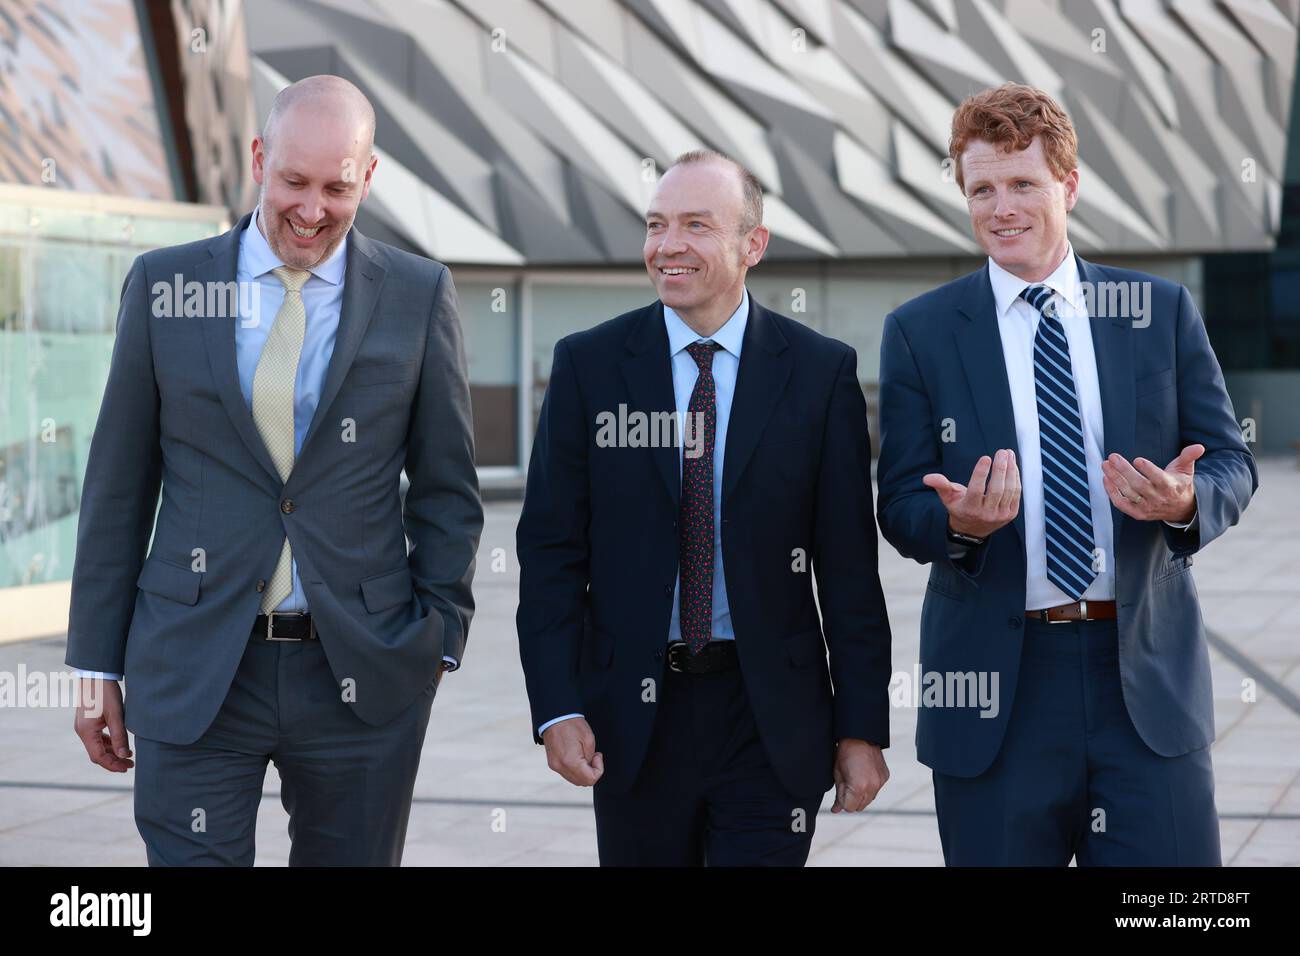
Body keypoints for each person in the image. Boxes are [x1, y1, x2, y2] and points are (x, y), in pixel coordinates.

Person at [66, 75, 482, 866]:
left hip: (361, 673)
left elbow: (448, 493)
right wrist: (95, 663)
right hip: (193, 666)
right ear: (259, 158)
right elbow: (118, 485)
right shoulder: (166, 285)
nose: (313, 208)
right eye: (294, 180)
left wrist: (437, 642)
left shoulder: (419, 295)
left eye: (337, 186)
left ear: (370, 177)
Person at [876, 83, 1257, 865]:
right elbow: (899, 503)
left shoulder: (1159, 310)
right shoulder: (919, 332)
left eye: (1023, 184)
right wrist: (957, 523)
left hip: (1144, 680)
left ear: (1069, 188)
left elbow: (1230, 461)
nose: (1001, 206)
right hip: (997, 696)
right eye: (982, 188)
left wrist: (1188, 501)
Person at [516, 149, 892, 866]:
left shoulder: (819, 374)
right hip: (633, 720)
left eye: (696, 224)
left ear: (754, 243)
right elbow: (551, 554)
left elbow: (848, 572)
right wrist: (557, 707)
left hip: (770, 723)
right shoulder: (588, 366)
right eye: (657, 225)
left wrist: (861, 727)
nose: (667, 245)